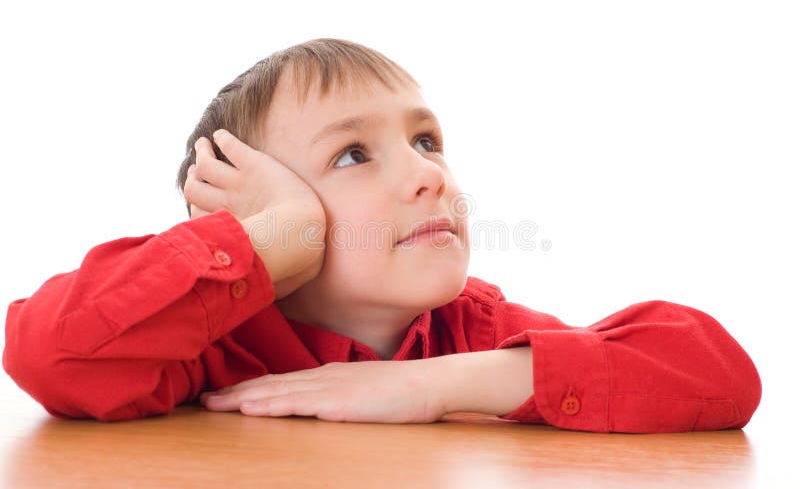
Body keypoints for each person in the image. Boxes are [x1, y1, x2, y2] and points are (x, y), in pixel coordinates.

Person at [3, 38, 761, 431]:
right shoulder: (205, 348)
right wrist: (277, 235)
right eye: (353, 154)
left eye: (426, 141)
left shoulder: (475, 330)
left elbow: (717, 373)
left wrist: (429, 386)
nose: (428, 174)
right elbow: (50, 353)